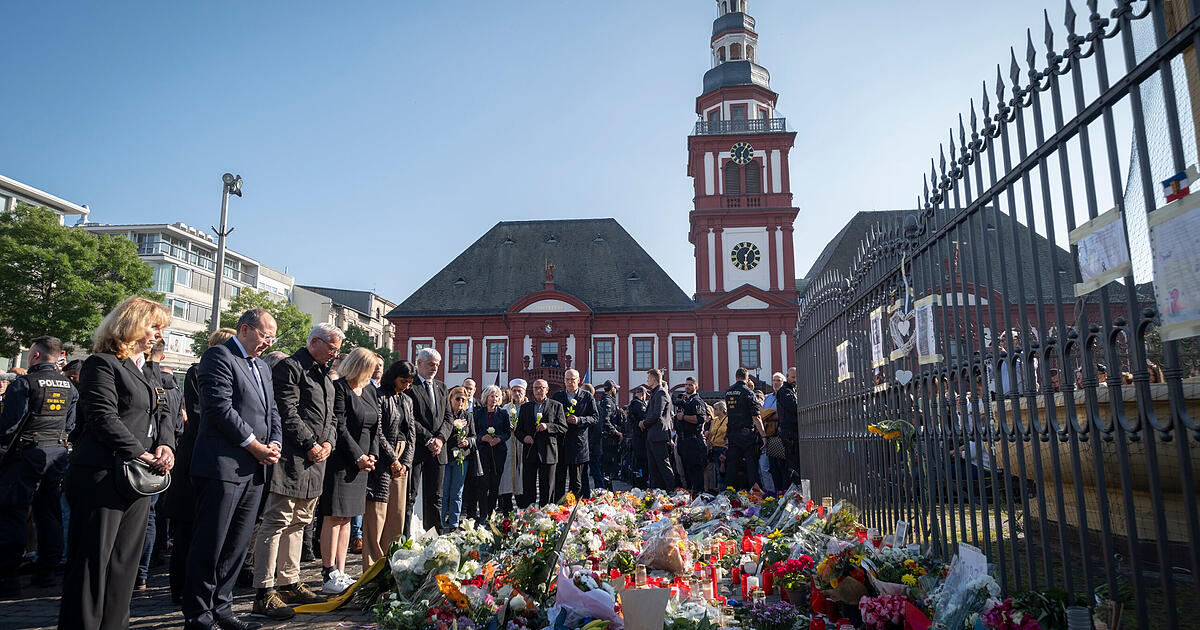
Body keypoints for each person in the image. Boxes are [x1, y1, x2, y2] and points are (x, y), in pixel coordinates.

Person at [59, 297, 175, 630]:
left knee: (124, 563)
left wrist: (166, 445)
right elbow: (103, 418)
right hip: (102, 475)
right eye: (154, 326)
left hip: (138, 478)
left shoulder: (149, 368)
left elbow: (164, 413)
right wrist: (142, 453)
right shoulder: (102, 363)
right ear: (132, 323)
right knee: (91, 563)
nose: (157, 334)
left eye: (160, 328)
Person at [184, 308, 282, 630]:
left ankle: (222, 608)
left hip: (254, 469)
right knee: (210, 545)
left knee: (237, 546)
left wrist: (275, 443)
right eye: (265, 335)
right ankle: (199, 616)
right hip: (222, 467)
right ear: (245, 329)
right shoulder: (218, 357)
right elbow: (219, 408)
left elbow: (273, 412)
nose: (268, 342)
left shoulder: (263, 368)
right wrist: (254, 444)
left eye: (272, 337)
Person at [249, 324, 342, 620]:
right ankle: (264, 590)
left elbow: (332, 418)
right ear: (314, 342)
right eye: (332, 347)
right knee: (277, 520)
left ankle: (289, 581)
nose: (335, 353)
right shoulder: (291, 368)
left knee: (301, 520)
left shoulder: (325, 376)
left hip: (317, 460)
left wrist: (328, 442)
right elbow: (285, 411)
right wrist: (311, 443)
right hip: (292, 458)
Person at [0, 336, 76, 595]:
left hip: (26, 453)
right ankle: (47, 572)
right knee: (49, 511)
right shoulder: (69, 386)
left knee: (15, 512)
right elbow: (71, 424)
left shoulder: (24, 383)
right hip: (57, 452)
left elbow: (9, 424)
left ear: (34, 356)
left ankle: (7, 578)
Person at [168, 328, 235, 604]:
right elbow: (201, 413)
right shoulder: (199, 372)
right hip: (196, 453)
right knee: (187, 525)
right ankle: (181, 586)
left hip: (213, 455)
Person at [320, 348, 382, 594]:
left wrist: (372, 455)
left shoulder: (368, 391)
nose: (375, 372)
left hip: (364, 462)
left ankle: (342, 571)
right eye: (370, 368)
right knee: (334, 517)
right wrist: (358, 456)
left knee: (347, 518)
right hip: (343, 461)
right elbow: (341, 427)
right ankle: (328, 571)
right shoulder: (340, 389)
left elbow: (375, 426)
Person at [136, 340, 185, 591]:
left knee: (147, 515)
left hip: (145, 456)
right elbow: (175, 423)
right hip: (162, 455)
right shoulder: (172, 388)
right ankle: (142, 571)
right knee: (153, 514)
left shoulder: (146, 379)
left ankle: (139, 571)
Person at [365, 360, 416, 568]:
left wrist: (405, 461)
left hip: (402, 459)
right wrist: (392, 459)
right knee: (377, 513)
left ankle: (392, 562)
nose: (406, 386)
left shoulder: (407, 400)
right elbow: (377, 430)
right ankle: (373, 566)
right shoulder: (379, 396)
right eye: (403, 381)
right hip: (384, 456)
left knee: (397, 513)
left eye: (410, 383)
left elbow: (411, 433)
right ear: (393, 377)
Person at [404, 348, 453, 534]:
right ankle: (406, 534)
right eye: (431, 364)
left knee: (436, 495)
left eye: (437, 365)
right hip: (418, 448)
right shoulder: (411, 386)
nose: (434, 368)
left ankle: (435, 534)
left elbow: (448, 417)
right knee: (411, 495)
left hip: (438, 450)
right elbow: (410, 418)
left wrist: (440, 439)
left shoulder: (441, 387)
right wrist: (429, 438)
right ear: (419, 363)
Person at [515, 379, 566, 506]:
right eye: (536, 387)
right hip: (530, 451)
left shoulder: (556, 405)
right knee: (529, 485)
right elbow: (518, 430)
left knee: (547, 487)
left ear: (547, 390)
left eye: (542, 387)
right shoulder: (525, 407)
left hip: (548, 451)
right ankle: (530, 514)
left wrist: (548, 426)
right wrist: (524, 437)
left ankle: (546, 515)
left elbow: (563, 427)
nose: (539, 390)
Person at [551, 369, 596, 499]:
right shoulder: (557, 396)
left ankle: (576, 509)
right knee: (559, 480)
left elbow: (595, 417)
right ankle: (558, 508)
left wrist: (579, 420)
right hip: (560, 443)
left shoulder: (587, 397)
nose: (570, 382)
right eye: (567, 380)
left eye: (572, 379)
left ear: (578, 380)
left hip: (578, 444)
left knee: (577, 481)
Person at [441, 385, 480, 529]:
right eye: (457, 398)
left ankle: (454, 522)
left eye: (463, 399)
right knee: (444, 492)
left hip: (462, 458)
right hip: (446, 456)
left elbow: (474, 436)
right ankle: (441, 520)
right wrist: (453, 425)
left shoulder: (468, 416)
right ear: (451, 398)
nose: (460, 402)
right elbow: (440, 431)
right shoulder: (446, 415)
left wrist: (468, 442)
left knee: (457, 492)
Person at [724, 368, 766, 491]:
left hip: (733, 434)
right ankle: (755, 494)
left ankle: (728, 494)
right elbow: (756, 417)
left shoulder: (728, 392)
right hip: (747, 435)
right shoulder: (748, 393)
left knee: (732, 467)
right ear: (747, 378)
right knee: (751, 466)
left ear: (736, 377)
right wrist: (763, 436)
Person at [473, 385, 509, 521]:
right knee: (483, 484)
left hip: (498, 452)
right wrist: (482, 438)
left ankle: (490, 513)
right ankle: (482, 514)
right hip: (482, 451)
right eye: (492, 396)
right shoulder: (478, 413)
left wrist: (499, 439)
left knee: (495, 484)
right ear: (486, 397)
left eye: (496, 396)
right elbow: (473, 432)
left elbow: (507, 433)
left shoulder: (503, 413)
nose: (494, 399)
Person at [640, 369, 674, 491]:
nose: (647, 380)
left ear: (654, 379)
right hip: (653, 435)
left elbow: (656, 415)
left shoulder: (661, 393)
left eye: (648, 378)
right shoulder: (655, 393)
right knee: (653, 468)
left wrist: (643, 423)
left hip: (658, 436)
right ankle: (656, 492)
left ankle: (671, 491)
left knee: (663, 466)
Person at [674, 376, 707, 494]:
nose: (687, 387)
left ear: (696, 387)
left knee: (695, 469)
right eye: (686, 384)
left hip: (693, 439)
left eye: (690, 385)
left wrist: (684, 417)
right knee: (686, 469)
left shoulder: (697, 401)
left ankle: (698, 493)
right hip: (683, 440)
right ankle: (690, 492)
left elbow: (701, 418)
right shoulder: (684, 401)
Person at [498, 380, 527, 514]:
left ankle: (524, 509)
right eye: (514, 390)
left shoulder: (530, 406)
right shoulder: (505, 408)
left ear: (524, 392)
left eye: (519, 390)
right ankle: (507, 511)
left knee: (524, 478)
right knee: (507, 477)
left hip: (524, 447)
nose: (517, 393)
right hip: (509, 447)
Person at [594, 380, 621, 491]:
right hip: (608, 439)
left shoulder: (604, 400)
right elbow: (606, 420)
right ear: (612, 389)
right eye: (616, 388)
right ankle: (606, 491)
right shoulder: (607, 401)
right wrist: (616, 432)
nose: (617, 391)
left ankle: (606, 489)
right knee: (607, 467)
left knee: (607, 467)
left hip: (606, 439)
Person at [776, 368, 799, 487]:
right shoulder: (784, 391)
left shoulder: (792, 390)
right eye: (793, 377)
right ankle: (790, 490)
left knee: (794, 464)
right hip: (789, 433)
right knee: (791, 465)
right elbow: (794, 407)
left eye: (796, 377)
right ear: (787, 376)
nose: (795, 380)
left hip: (792, 432)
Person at [627, 385, 649, 488]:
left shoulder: (633, 404)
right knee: (641, 462)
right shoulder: (638, 405)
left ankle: (639, 482)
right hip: (639, 436)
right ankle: (640, 483)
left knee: (637, 461)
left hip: (635, 436)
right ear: (643, 394)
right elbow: (643, 417)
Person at [706, 401, 728, 492]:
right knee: (716, 470)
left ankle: (724, 489)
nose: (714, 411)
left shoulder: (728, 419)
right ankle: (719, 489)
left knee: (723, 470)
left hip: (723, 448)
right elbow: (711, 433)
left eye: (716, 409)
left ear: (722, 410)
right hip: (714, 447)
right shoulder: (714, 420)